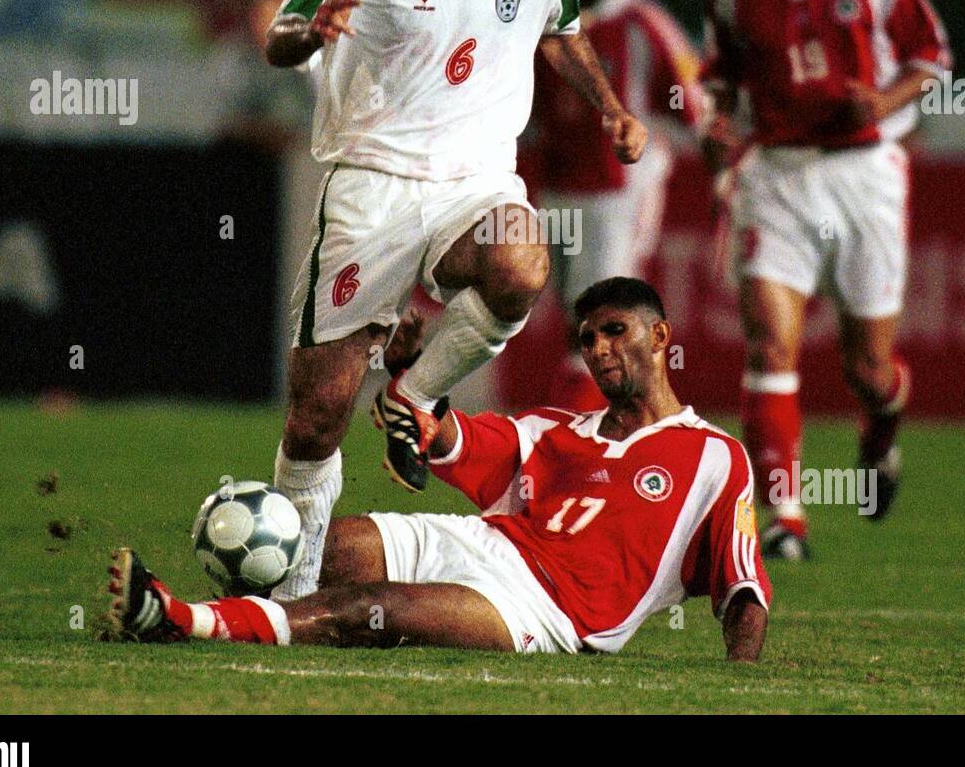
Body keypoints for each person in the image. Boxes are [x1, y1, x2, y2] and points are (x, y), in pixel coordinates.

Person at [260, 0, 647, 601]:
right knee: (317, 412)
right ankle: (291, 595)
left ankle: (415, 393)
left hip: (476, 182)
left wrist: (610, 107)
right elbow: (280, 36)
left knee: (522, 264)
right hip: (373, 185)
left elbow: (561, 32)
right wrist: (311, 32)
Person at [104, 278, 771, 661]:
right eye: (587, 338)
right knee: (316, 547)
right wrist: (408, 375)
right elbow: (439, 435)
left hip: (546, 611)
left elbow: (743, 589)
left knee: (374, 609)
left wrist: (740, 693)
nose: (597, 349)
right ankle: (241, 620)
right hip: (482, 542)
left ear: (659, 336)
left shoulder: (716, 458)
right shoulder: (554, 430)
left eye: (614, 331)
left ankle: (184, 621)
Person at [701, 0, 950, 559]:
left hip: (862, 173)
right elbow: (722, 77)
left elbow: (932, 54)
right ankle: (785, 519)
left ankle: (883, 427)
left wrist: (883, 100)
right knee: (770, 342)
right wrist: (716, 123)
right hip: (776, 175)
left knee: (868, 370)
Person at [531, 0, 709, 411]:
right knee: (577, 322)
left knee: (601, 320)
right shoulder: (540, 18)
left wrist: (720, 169)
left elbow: (692, 101)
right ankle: (626, 431)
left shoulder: (640, 21)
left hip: (618, 192)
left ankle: (589, 440)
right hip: (559, 185)